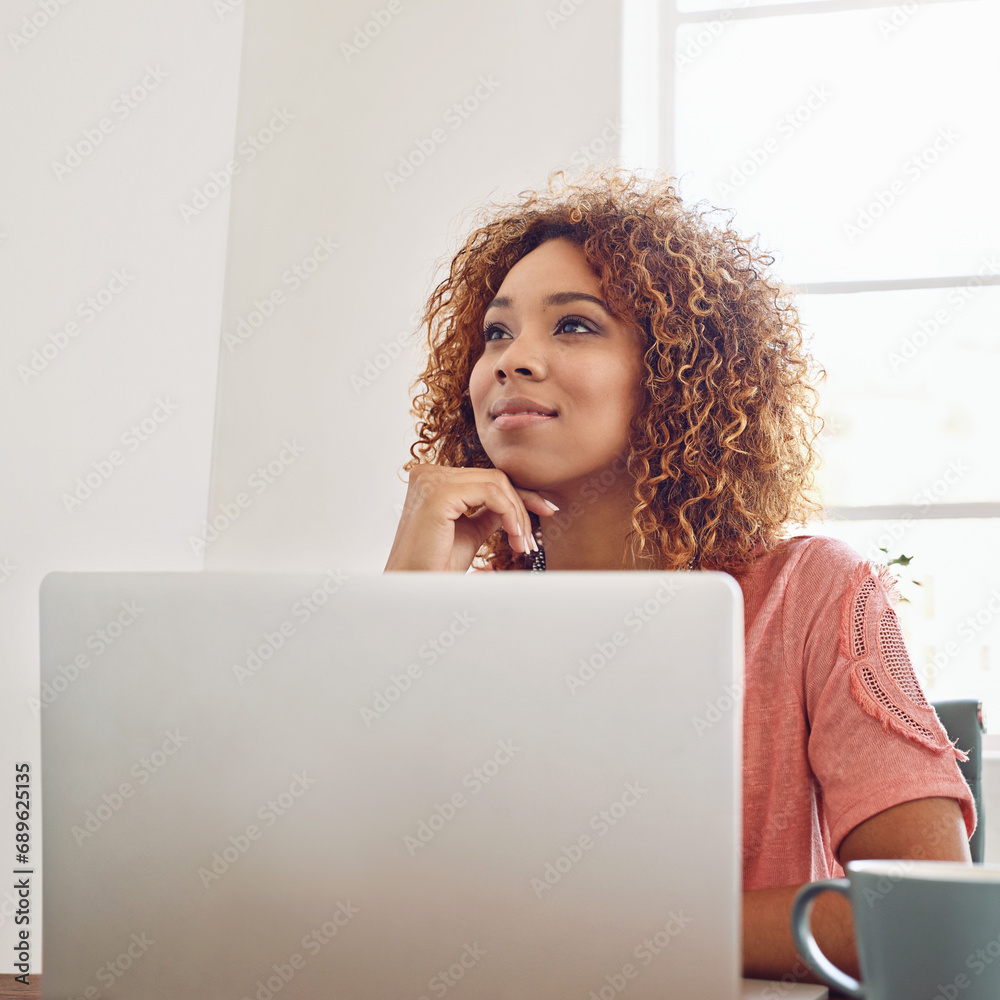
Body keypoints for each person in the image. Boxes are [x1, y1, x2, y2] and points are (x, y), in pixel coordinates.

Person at [384, 171, 975, 981]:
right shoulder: (456, 613)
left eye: (575, 327)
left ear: (675, 372)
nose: (512, 361)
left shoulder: (808, 593)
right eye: (495, 333)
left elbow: (925, 912)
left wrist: (599, 934)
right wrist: (401, 598)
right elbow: (338, 883)